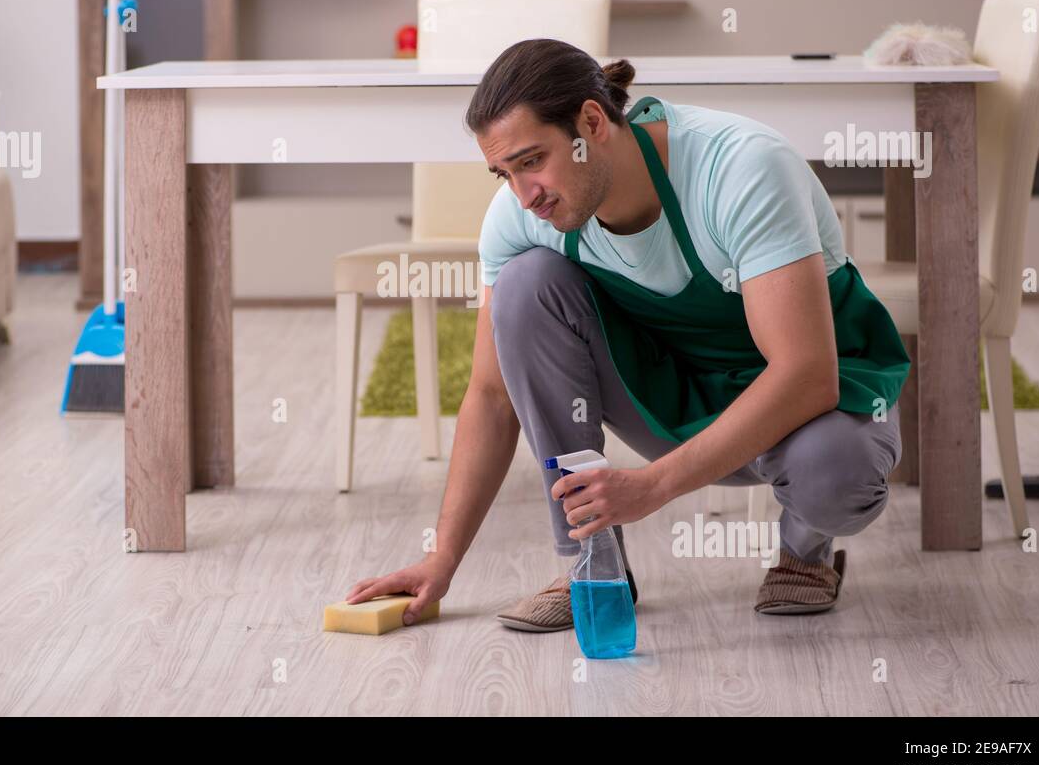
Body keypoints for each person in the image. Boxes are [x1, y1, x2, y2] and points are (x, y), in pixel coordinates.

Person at [346, 38, 909, 629]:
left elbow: (806, 375)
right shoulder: (520, 217)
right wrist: (442, 558)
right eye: (504, 172)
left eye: (532, 161)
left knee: (835, 473)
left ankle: (805, 551)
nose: (524, 195)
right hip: (671, 398)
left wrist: (652, 487)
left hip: (810, 405)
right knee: (525, 284)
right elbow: (490, 397)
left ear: (592, 121)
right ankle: (597, 566)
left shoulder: (740, 167)